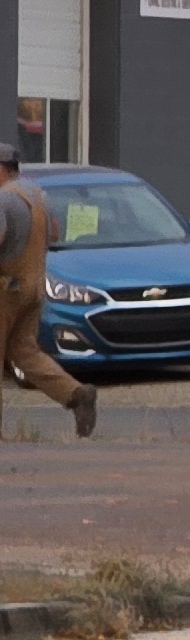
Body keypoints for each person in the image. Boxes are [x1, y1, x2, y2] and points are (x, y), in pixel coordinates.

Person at [0, 136, 102, 437]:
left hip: (6, 289)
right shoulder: (36, 194)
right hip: (34, 287)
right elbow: (54, 233)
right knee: (24, 352)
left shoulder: (3, 198)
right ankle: (76, 394)